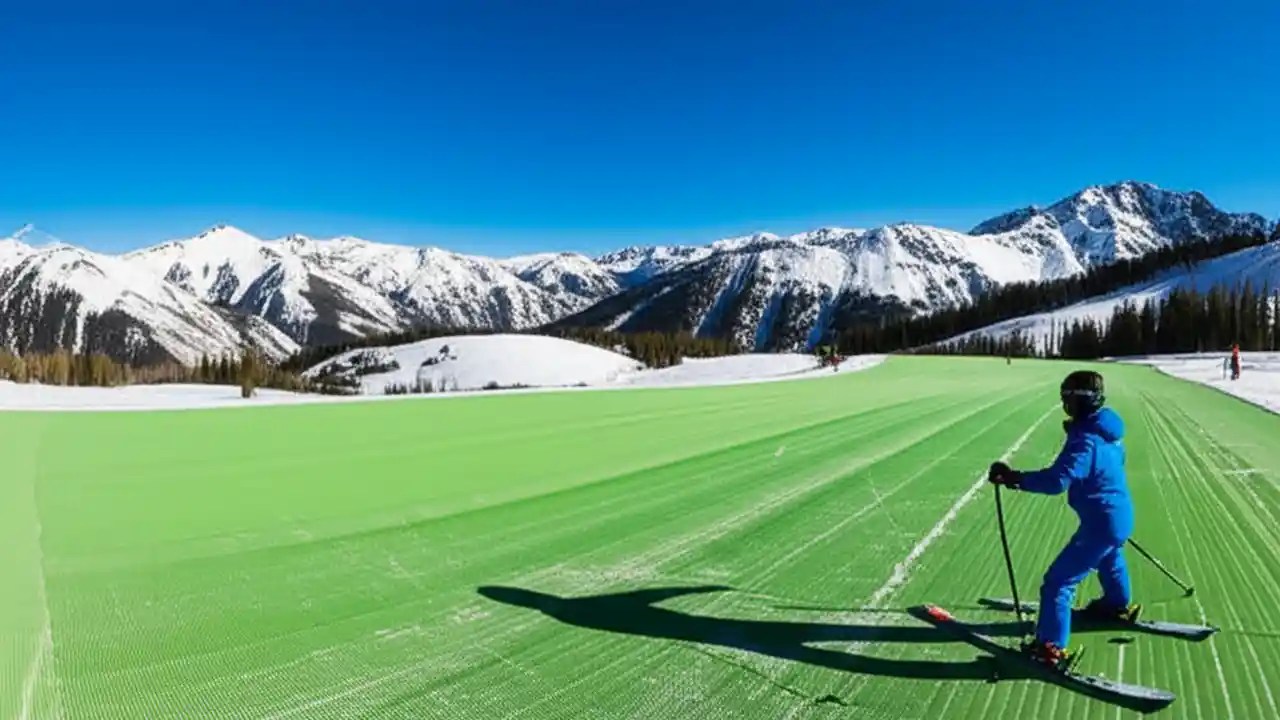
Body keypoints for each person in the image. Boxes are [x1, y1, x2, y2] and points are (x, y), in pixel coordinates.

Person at [987, 369, 1141, 669]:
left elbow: (1057, 481)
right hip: (1118, 515)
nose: (1064, 405)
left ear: (1079, 402)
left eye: (1067, 399)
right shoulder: (1108, 434)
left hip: (1102, 522)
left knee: (1058, 583)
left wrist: (1014, 478)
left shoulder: (1085, 440)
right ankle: (1117, 605)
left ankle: (1050, 648)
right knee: (1110, 557)